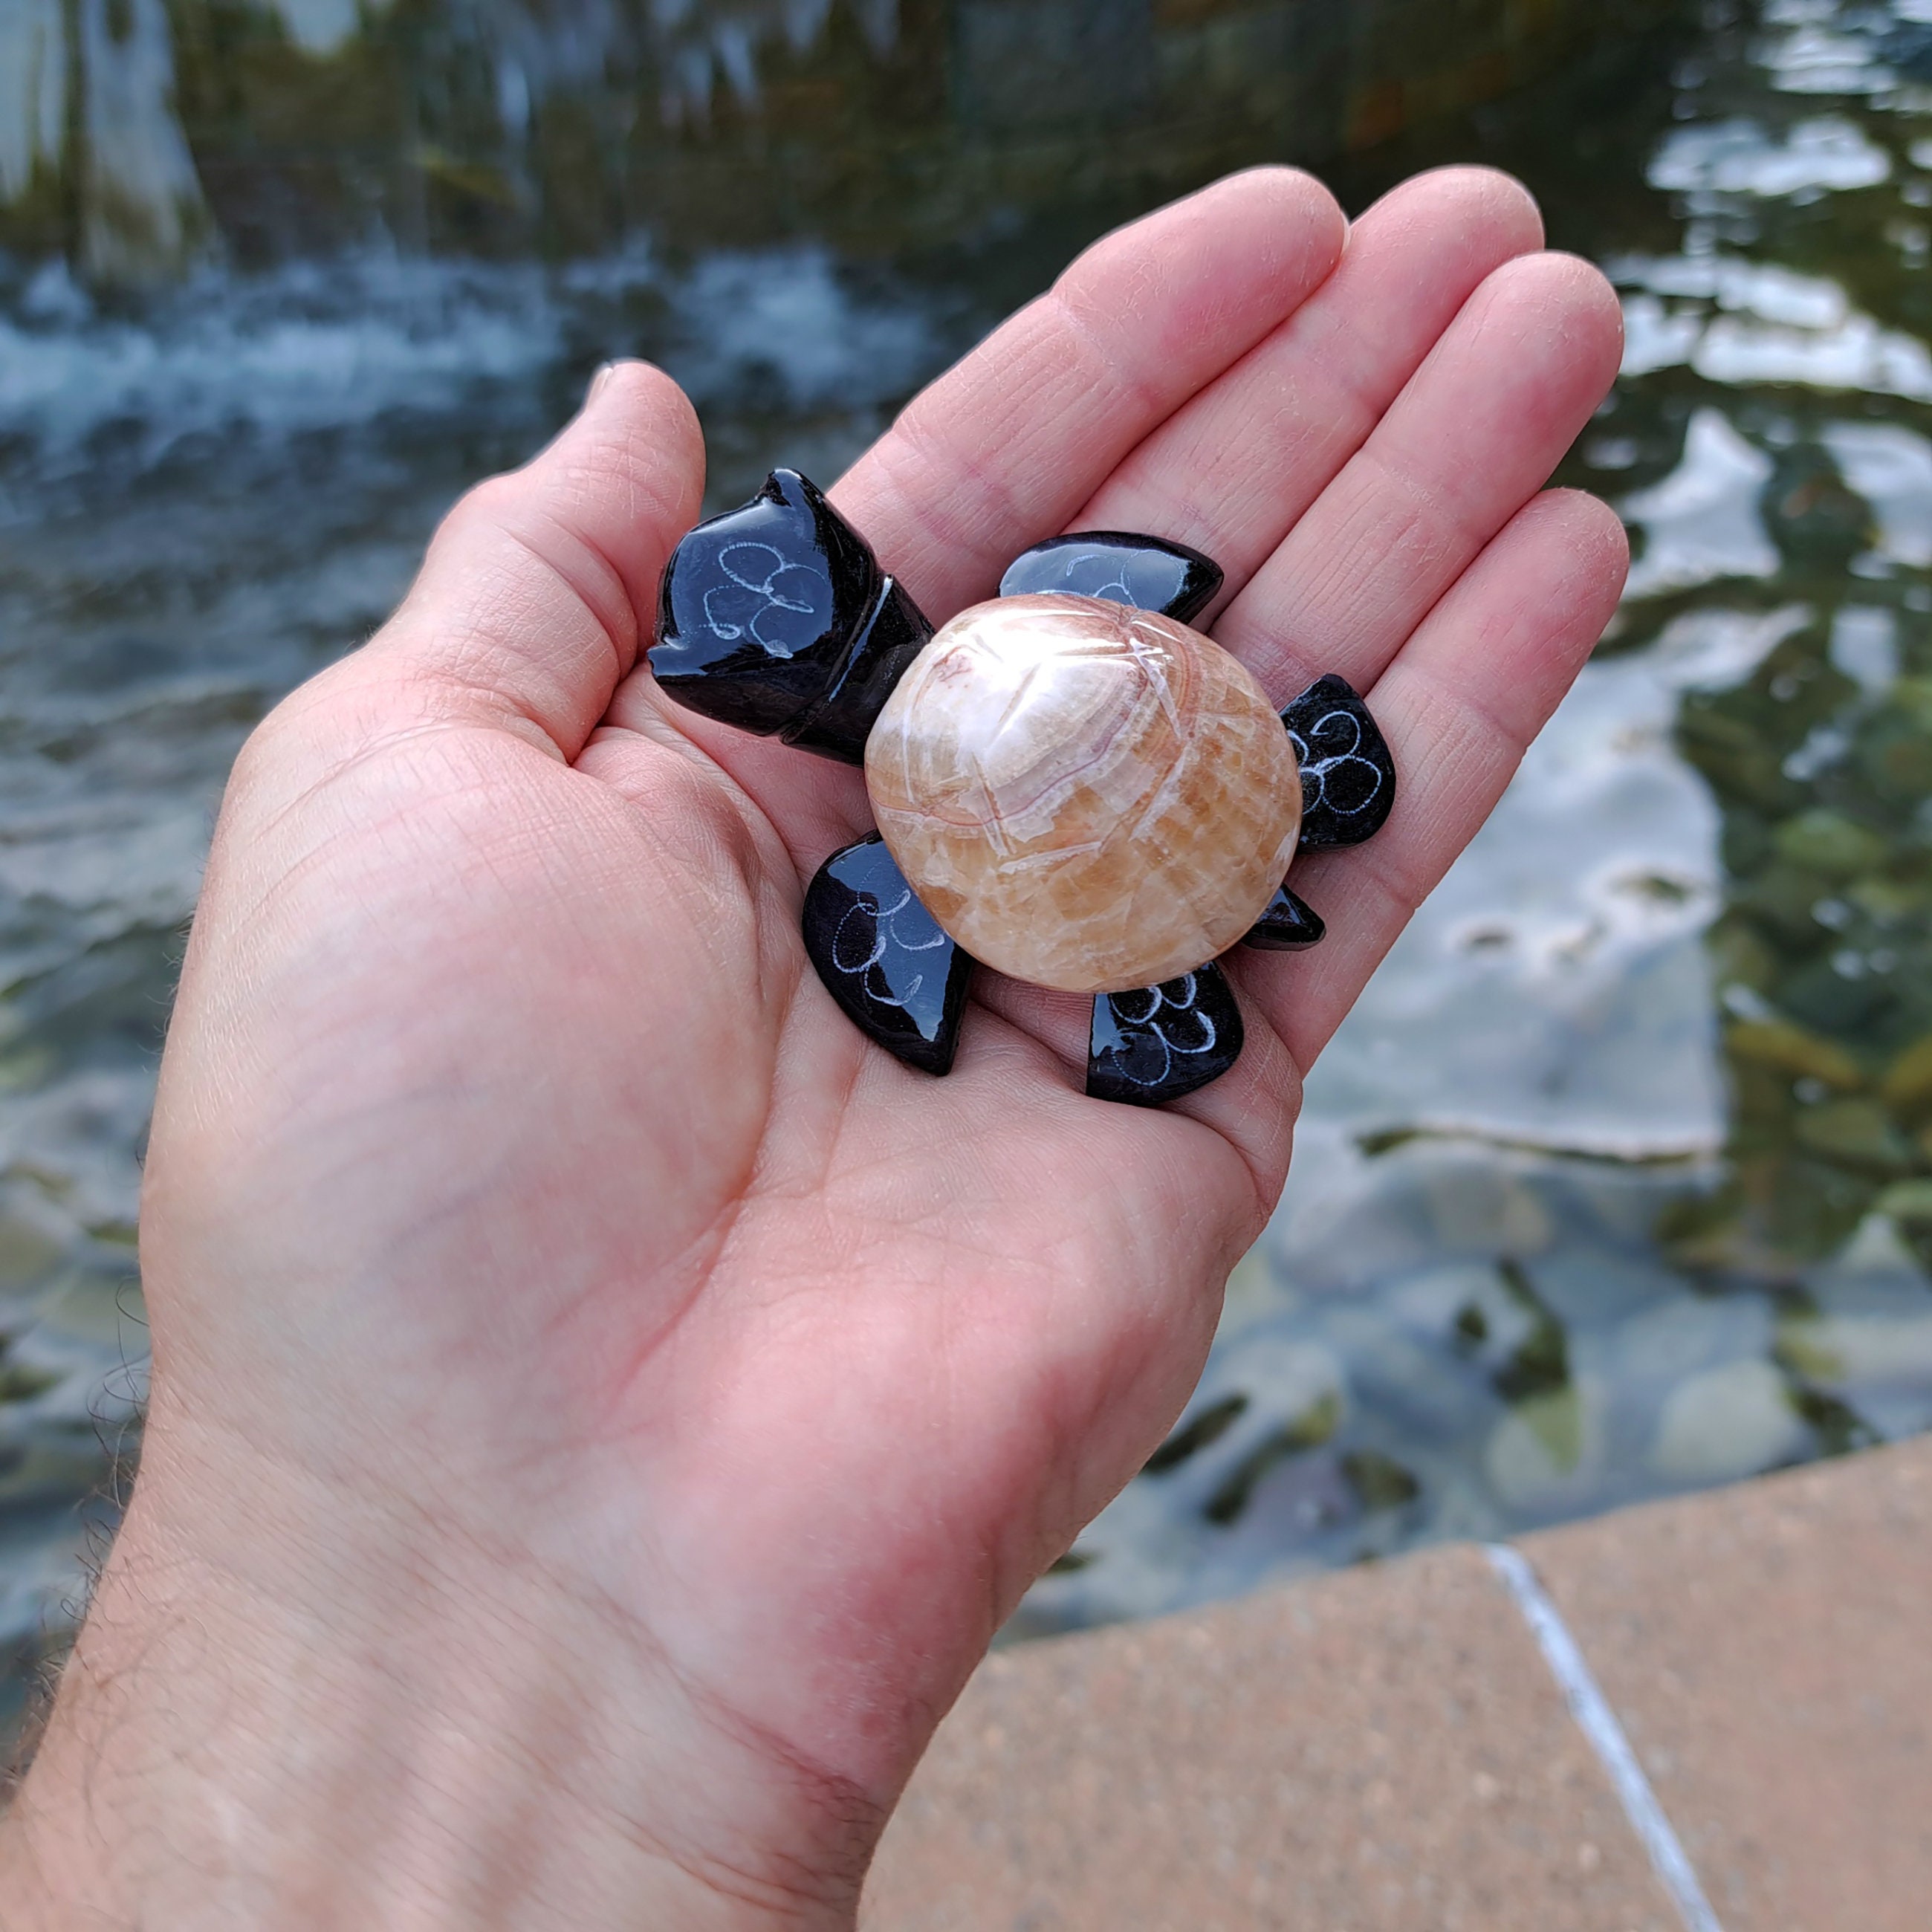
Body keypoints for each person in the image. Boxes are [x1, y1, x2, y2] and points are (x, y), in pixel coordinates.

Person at [0, 166, 1625, 1927]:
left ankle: (1208, 915)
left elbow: (921, 916)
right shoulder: (1054, 608)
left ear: (772, 706)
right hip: (1195, 813)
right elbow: (1143, 612)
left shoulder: (886, 872)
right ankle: (1242, 871)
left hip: (1150, 864)